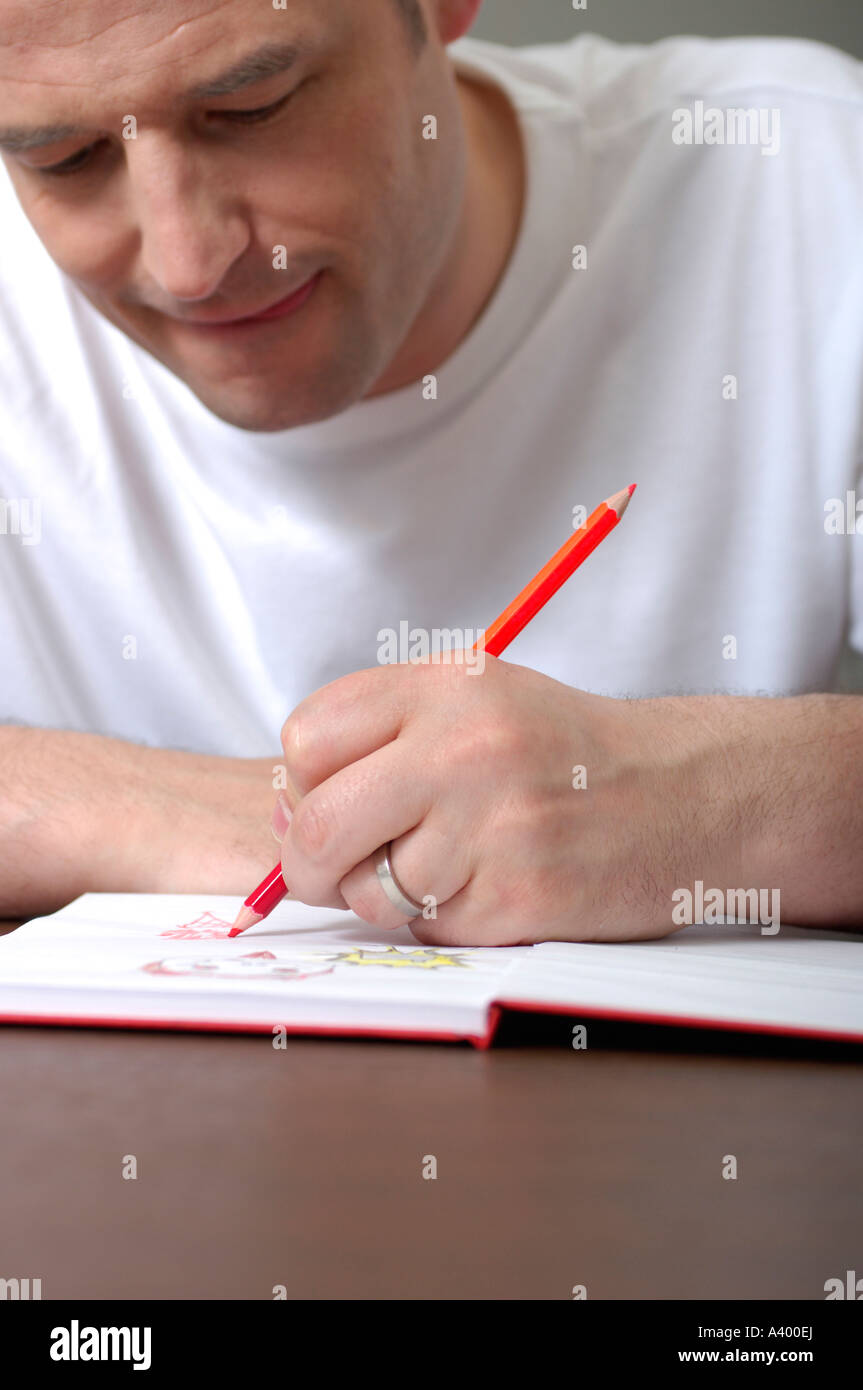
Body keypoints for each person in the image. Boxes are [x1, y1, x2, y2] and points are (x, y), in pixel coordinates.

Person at [0, 0, 861, 941]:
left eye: (255, 107)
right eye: (62, 158)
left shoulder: (812, 179)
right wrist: (252, 819)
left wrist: (693, 800)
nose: (190, 262)